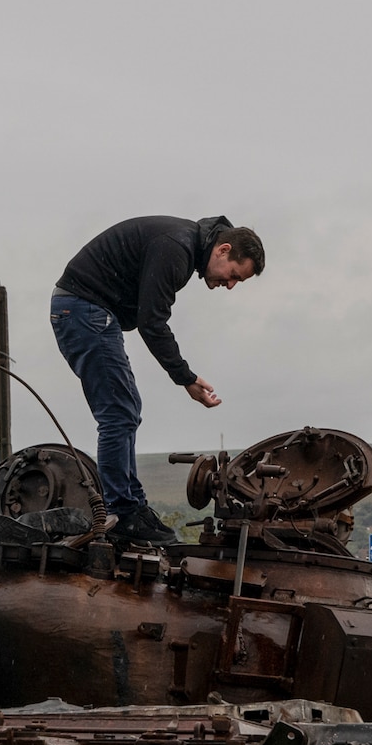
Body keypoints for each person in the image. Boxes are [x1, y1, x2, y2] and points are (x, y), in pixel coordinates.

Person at [51, 215, 265, 543]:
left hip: (88, 309)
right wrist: (186, 377)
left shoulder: (183, 245)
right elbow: (151, 322)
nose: (231, 285)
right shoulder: (176, 248)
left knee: (127, 409)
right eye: (234, 275)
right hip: (83, 309)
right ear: (223, 250)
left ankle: (132, 507)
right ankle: (123, 514)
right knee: (118, 412)